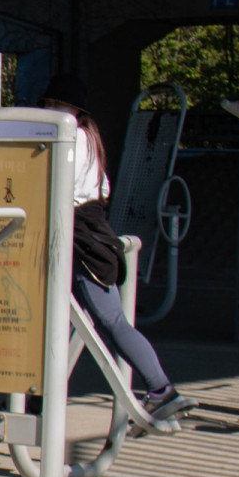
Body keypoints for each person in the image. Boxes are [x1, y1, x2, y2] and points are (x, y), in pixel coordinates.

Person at [40, 74, 191, 424]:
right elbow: (103, 189)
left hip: (78, 236)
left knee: (108, 320)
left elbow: (60, 188)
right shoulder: (90, 138)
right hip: (92, 231)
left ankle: (161, 388)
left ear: (72, 110)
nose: (49, 109)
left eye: (55, 104)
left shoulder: (71, 138)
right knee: (72, 322)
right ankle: (38, 399)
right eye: (49, 104)